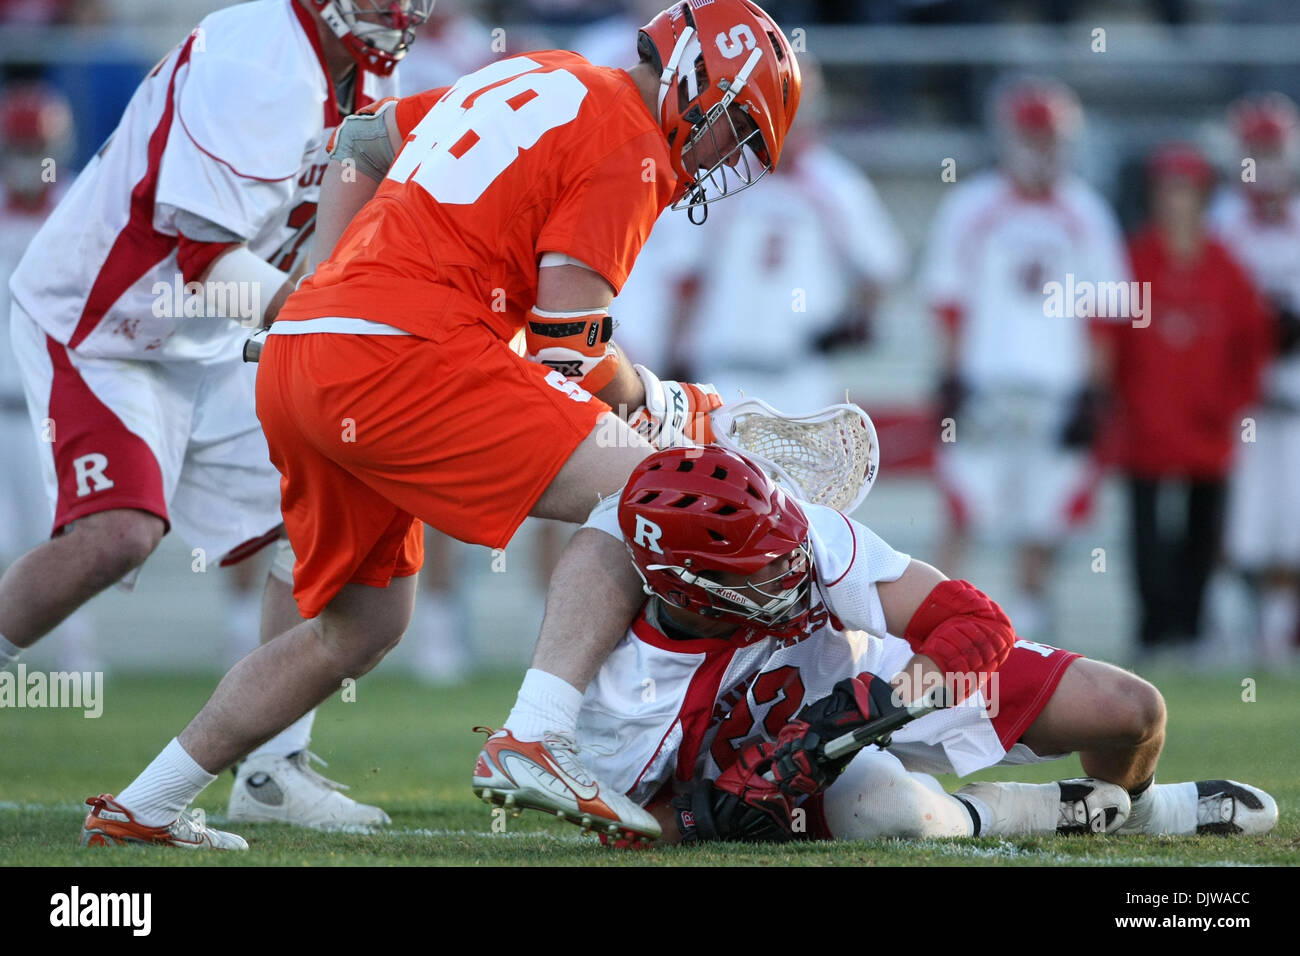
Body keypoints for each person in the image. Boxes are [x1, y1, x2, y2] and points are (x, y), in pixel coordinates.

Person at [81, 0, 803, 849]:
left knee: (364, 624)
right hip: (400, 354)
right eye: (733, 127)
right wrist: (658, 395)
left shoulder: (544, 72)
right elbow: (567, 347)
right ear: (690, 79)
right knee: (649, 491)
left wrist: (323, 290)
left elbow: (358, 139)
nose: (724, 156)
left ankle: (146, 803)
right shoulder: (633, 141)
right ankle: (538, 731)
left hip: (307, 352)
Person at [3, 0, 437, 846]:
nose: (404, 7)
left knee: (315, 503)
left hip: (207, 337)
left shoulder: (361, 62)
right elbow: (203, 261)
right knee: (116, 537)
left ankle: (272, 768)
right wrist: (322, 319)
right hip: (109, 323)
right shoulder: (260, 61)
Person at [553, 445, 1277, 845]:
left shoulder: (805, 535)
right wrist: (715, 812)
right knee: (892, 814)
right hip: (792, 778)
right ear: (686, 588)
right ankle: (1010, 811)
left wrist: (885, 701)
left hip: (882, 684)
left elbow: (974, 621)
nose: (790, 565)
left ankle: (1143, 813)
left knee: (1131, 708)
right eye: (760, 565)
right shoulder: (623, 703)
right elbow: (631, 833)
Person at [921, 75, 1129, 641]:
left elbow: (1105, 314)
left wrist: (1093, 391)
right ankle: (938, 633)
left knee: (1042, 521)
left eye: (1050, 139)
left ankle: (1027, 636)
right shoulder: (972, 207)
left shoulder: (1087, 214)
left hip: (1056, 390)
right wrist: (951, 376)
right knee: (965, 509)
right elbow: (948, 302)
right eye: (1032, 137)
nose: (1042, 150)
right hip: (987, 385)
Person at [1100, 144, 1270, 660]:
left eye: (1185, 190)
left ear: (1202, 197)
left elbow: (1251, 342)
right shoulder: (1133, 259)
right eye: (1166, 190)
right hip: (1145, 426)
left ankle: (1192, 630)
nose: (1175, 201)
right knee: (1146, 535)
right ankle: (1153, 631)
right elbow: (1110, 335)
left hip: (1207, 428)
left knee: (1202, 530)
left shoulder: (1224, 266)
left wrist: (1231, 403)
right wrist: (1115, 403)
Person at [671, 57, 907, 414]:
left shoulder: (836, 184)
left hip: (799, 374)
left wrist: (847, 324)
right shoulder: (723, 176)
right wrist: (676, 351)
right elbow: (686, 273)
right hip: (722, 367)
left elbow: (881, 266)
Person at [1211, 93, 1300, 667]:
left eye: (1273, 150)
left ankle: (1273, 641)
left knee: (1287, 531)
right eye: (1256, 151)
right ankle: (1224, 638)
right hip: (1236, 400)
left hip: (1293, 400)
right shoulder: (1221, 218)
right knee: (1230, 526)